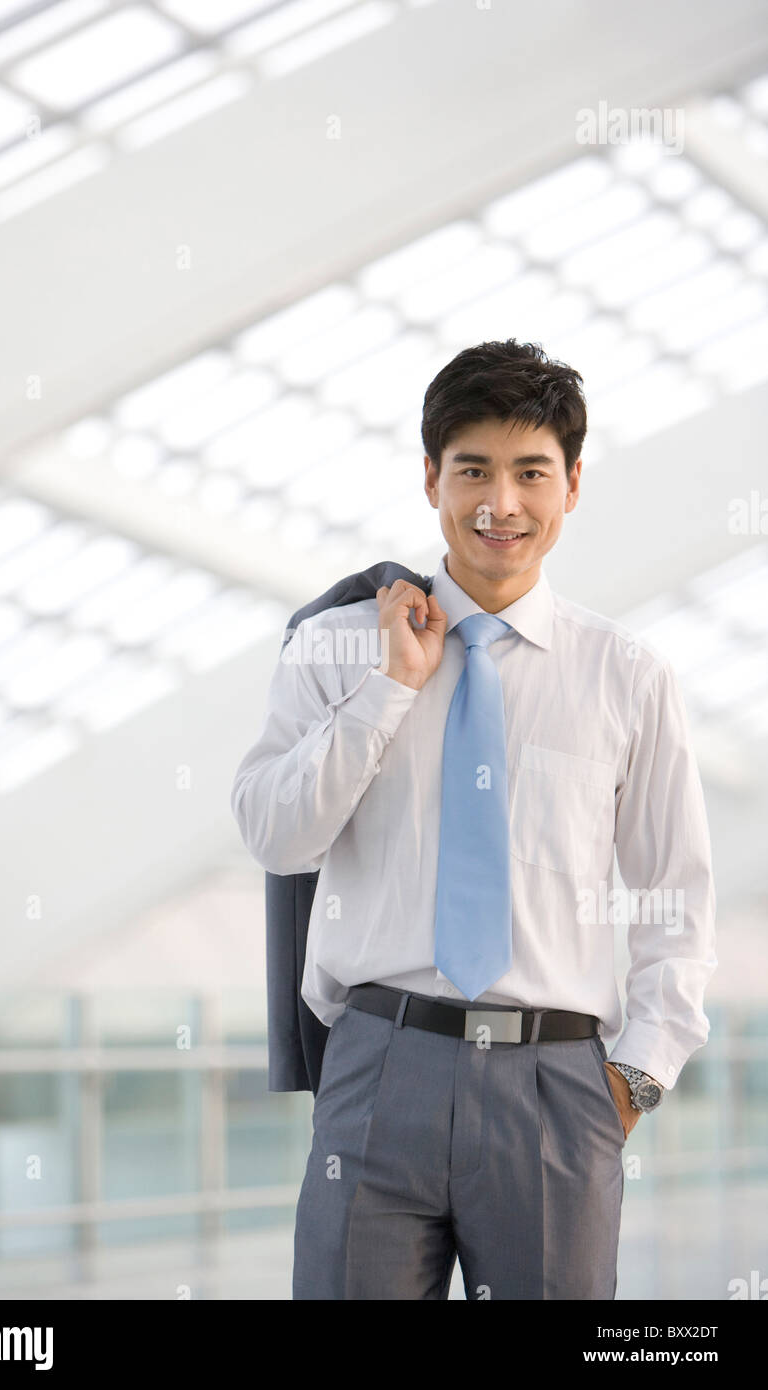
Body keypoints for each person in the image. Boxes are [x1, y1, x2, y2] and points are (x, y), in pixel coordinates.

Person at [230, 339, 717, 1300]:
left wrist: (635, 1079)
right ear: (430, 479)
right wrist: (385, 693)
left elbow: (674, 896)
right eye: (473, 471)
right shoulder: (334, 645)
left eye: (531, 472)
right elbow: (274, 835)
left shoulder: (626, 675)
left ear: (572, 485)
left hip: (558, 1083)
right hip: (378, 1065)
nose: (501, 504)